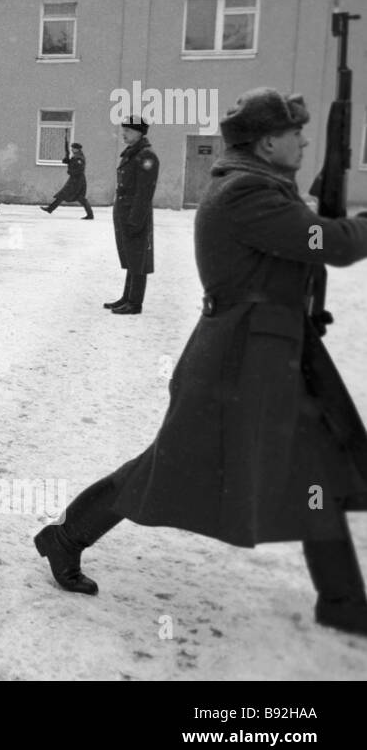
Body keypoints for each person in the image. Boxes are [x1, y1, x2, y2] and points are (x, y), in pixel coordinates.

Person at [35, 89, 367, 637]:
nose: (304, 141)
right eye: (294, 134)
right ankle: (66, 537)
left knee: (315, 469)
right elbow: (327, 241)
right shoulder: (246, 194)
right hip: (236, 360)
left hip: (273, 352)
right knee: (166, 466)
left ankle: (342, 597)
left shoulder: (261, 187)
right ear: (266, 142)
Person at [104, 116, 158, 314]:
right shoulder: (132, 153)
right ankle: (126, 297)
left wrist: (135, 220)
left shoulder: (146, 156)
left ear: (139, 132)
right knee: (130, 256)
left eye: (127, 130)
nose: (123, 134)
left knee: (138, 258)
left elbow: (144, 193)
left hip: (136, 216)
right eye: (124, 130)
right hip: (125, 213)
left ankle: (135, 303)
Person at [39, 141, 94, 219]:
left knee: (74, 196)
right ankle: (50, 209)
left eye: (73, 148)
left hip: (77, 180)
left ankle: (50, 209)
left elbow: (80, 169)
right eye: (71, 148)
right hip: (75, 179)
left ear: (77, 149)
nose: (71, 149)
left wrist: (71, 171)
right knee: (70, 195)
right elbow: (70, 163)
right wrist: (66, 159)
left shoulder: (79, 157)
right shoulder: (76, 156)